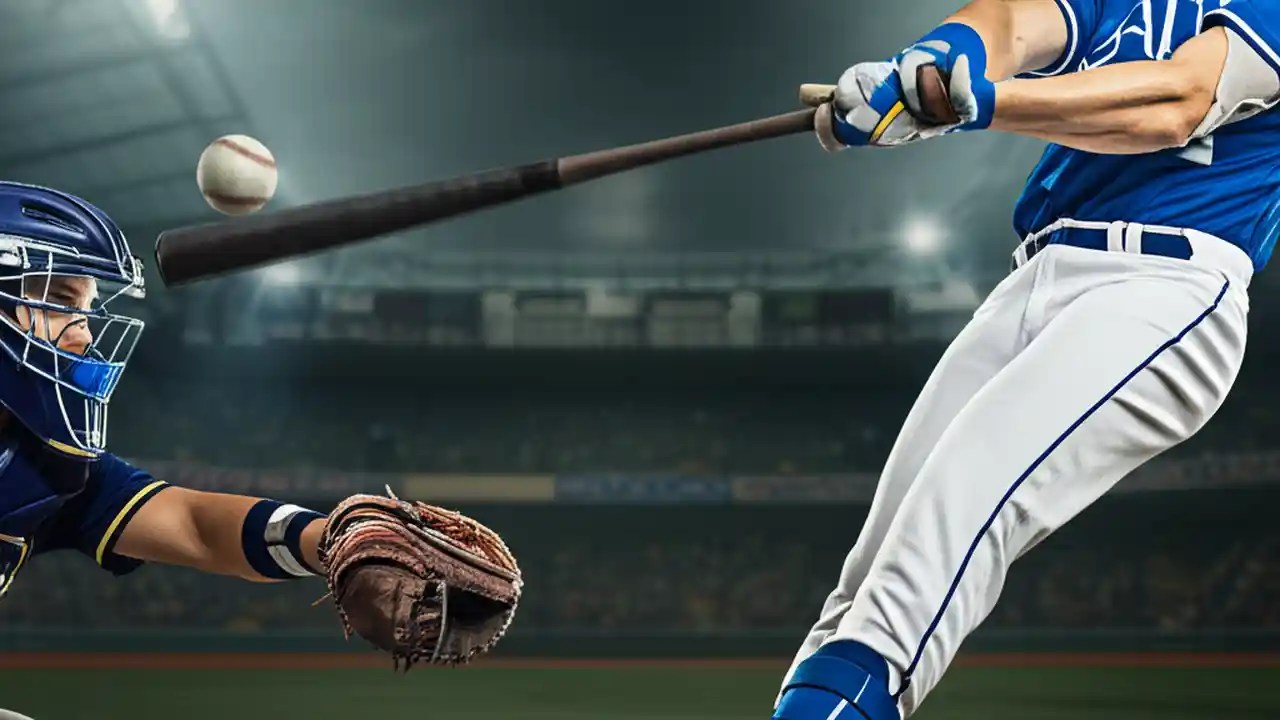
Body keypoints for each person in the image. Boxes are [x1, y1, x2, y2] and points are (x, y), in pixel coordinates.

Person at [775, 1, 1280, 718]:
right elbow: (1010, 23)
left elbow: (1179, 100)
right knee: (862, 587)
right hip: (1032, 278)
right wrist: (925, 65)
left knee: (938, 540)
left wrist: (970, 104)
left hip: (1166, 281)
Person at [0, 181, 328, 603]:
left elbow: (196, 527)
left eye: (85, 311)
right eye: (62, 301)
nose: (84, 335)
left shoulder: (44, 465)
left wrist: (332, 540)